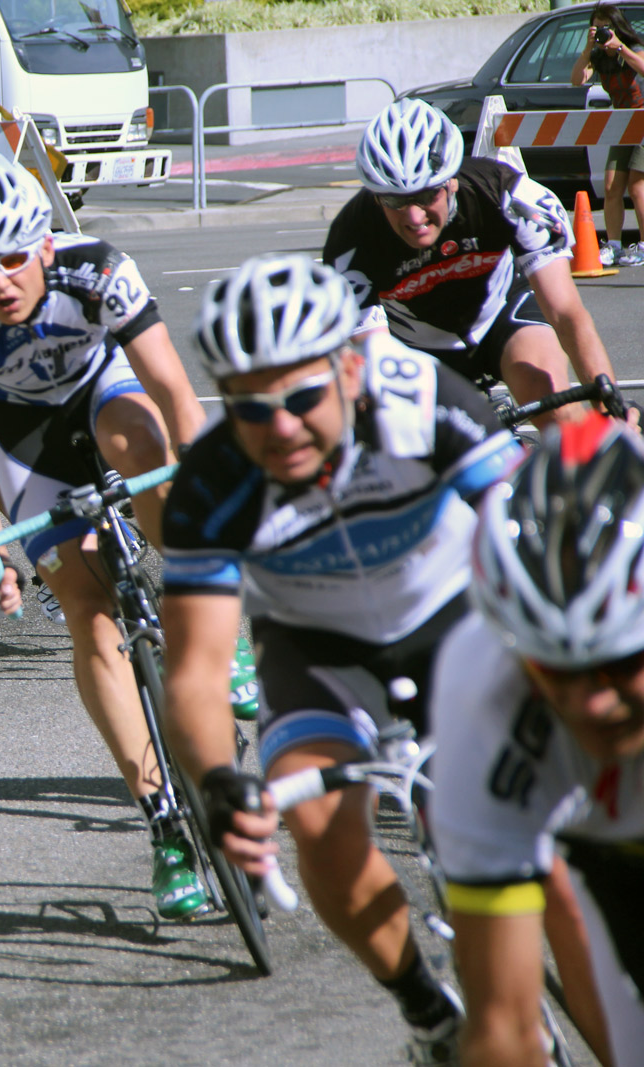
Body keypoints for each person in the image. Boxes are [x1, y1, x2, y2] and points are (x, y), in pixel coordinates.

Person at [161, 252, 525, 1061]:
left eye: (302, 398)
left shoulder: (426, 403)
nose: (280, 427)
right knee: (319, 823)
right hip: (318, 646)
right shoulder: (212, 483)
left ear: (350, 366)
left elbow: (533, 543)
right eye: (250, 408)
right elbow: (193, 670)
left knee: (526, 827)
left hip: (455, 623)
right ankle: (426, 1008)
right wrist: (220, 780)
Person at [0, 155, 211, 919]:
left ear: (46, 247)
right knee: (89, 611)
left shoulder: (101, 272)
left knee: (142, 447)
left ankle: (196, 595)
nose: (0, 279)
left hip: (102, 396)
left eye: (15, 257)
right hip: (28, 445)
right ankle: (166, 827)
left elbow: (178, 395)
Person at [434, 413, 644, 1066]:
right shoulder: (480, 682)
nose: (592, 701)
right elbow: (504, 1029)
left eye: (620, 662)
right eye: (555, 668)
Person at [324, 98, 622, 425]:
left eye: (427, 195)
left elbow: (567, 315)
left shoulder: (503, 195)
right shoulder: (351, 239)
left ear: (451, 180)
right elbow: (377, 359)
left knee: (550, 400)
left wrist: (610, 413)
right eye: (394, 199)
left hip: (502, 314)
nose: (413, 215)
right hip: (417, 345)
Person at [570, 4, 644, 268]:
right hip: (623, 124)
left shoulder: (632, 48)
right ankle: (613, 245)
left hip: (643, 120)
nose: (602, 32)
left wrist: (619, 46)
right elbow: (577, 79)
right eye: (597, 27)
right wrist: (589, 48)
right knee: (612, 186)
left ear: (617, 27)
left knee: (638, 186)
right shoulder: (598, 56)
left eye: (607, 27)